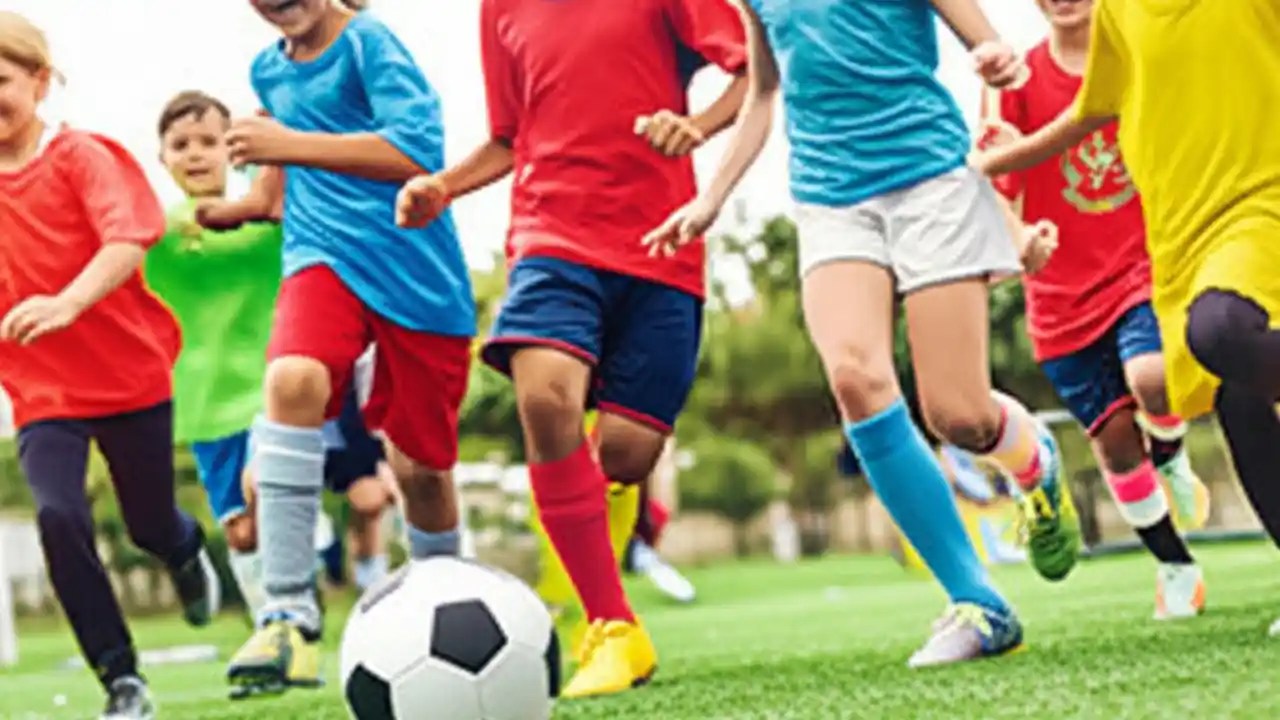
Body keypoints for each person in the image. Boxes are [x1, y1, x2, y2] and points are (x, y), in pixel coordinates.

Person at [646, 0, 1079, 667]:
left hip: (931, 181)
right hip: (830, 197)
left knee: (957, 414)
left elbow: (993, 51)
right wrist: (712, 198)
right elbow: (763, 91)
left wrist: (999, 58)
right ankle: (978, 602)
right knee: (854, 377)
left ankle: (1032, 459)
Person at [396, 0, 748, 698]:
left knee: (626, 455)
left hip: (661, 247)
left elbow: (754, 73)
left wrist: (696, 127)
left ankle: (591, 528)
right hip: (551, 238)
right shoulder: (500, 9)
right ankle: (611, 626)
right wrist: (443, 186)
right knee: (546, 397)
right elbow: (507, 137)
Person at [970, 0, 1280, 634]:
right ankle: (1184, 563)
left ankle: (1172, 463)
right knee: (1231, 394)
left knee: (1210, 337)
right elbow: (1093, 110)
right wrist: (996, 164)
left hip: (1253, 207)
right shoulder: (1121, 13)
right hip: (1176, 236)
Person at [200, 0, 475, 697]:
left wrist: (283, 143)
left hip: (415, 274)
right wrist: (246, 204)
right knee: (291, 380)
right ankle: (286, 612)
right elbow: (280, 180)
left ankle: (444, 597)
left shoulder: (368, 44)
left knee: (420, 473)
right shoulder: (269, 69)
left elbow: (416, 149)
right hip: (320, 258)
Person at [0, 12, 215, 719]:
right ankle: (122, 679)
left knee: (148, 523)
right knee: (60, 518)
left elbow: (128, 238)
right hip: (43, 390)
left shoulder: (81, 156)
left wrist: (67, 302)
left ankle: (183, 550)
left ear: (38, 81)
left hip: (128, 376)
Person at [146, 92, 395, 617]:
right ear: (161, 158)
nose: (196, 154)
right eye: (180, 144)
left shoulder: (266, 215)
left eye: (209, 142)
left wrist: (279, 146)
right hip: (204, 402)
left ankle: (291, 610)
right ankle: (273, 614)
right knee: (241, 534)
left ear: (232, 150)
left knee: (270, 485)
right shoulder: (159, 230)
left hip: (274, 387)